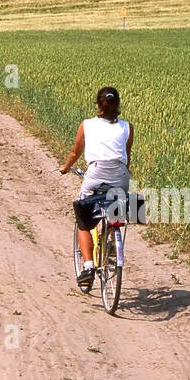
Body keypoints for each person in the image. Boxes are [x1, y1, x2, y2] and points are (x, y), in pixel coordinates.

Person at [58, 87, 132, 286]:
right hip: (120, 175)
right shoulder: (127, 127)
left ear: (98, 105)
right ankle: (110, 239)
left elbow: (75, 153)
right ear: (118, 105)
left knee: (83, 219)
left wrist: (66, 167)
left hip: (96, 173)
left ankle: (89, 266)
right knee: (117, 205)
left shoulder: (87, 125)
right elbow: (126, 157)